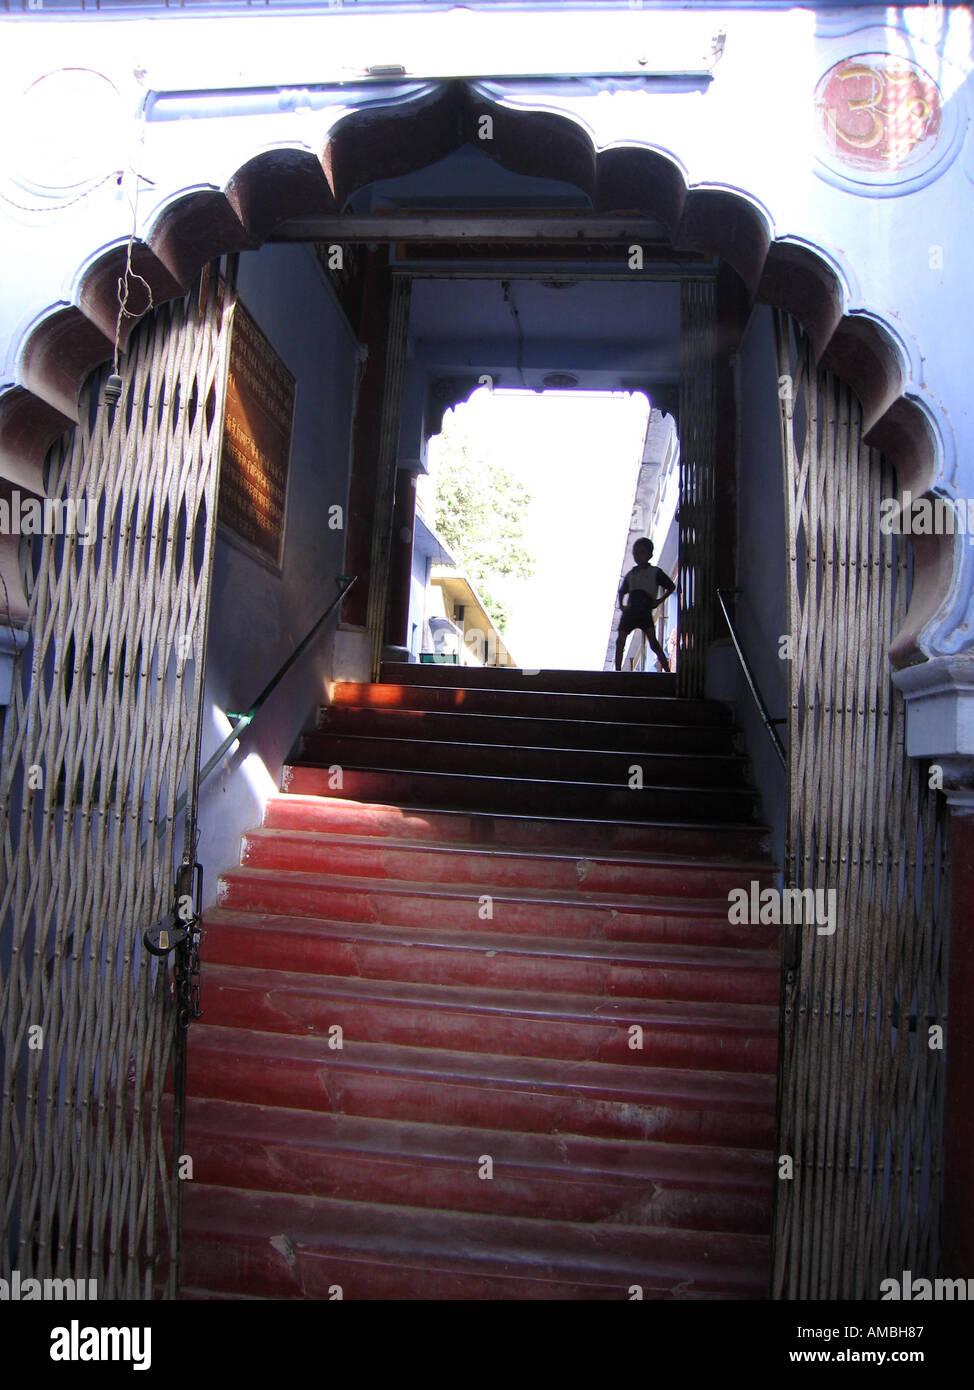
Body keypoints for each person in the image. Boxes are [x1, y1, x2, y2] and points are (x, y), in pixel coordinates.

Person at [614, 537, 675, 672]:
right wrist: (622, 605)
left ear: (649, 555)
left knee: (653, 642)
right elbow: (622, 591)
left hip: (644, 609)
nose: (638, 556)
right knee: (620, 640)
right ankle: (617, 671)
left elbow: (671, 586)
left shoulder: (655, 572)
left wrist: (659, 601)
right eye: (635, 553)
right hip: (631, 610)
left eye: (642, 552)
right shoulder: (631, 574)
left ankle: (667, 670)